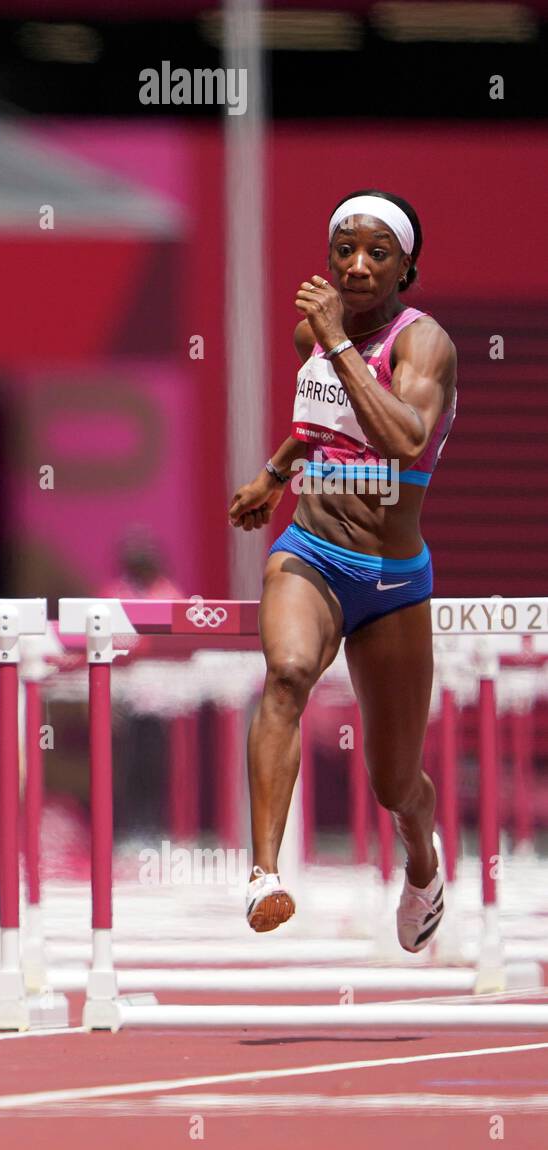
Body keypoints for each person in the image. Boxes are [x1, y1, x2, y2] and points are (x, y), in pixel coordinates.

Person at [227, 190, 455, 951]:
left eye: (376, 254)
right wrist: (274, 472)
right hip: (314, 547)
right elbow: (320, 419)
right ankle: (265, 874)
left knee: (396, 782)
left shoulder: (425, 347)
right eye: (344, 251)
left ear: (406, 267)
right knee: (287, 673)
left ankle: (422, 862)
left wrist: (337, 342)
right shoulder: (314, 337)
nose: (356, 266)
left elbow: (403, 441)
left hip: (391, 580)